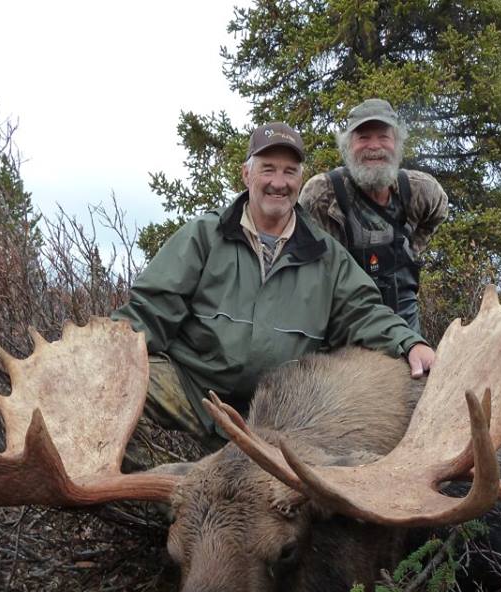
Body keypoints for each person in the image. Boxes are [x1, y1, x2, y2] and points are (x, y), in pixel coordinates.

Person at [111, 122, 435, 451]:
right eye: (268, 169)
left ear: (300, 180)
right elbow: (150, 311)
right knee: (119, 380)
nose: (278, 183)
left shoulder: (326, 256)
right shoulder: (204, 237)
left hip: (285, 416)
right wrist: (103, 351)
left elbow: (364, 313)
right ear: (246, 174)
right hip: (198, 394)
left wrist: (410, 344)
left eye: (289, 172)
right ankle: (159, 494)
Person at [299, 99, 449, 332]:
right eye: (363, 137)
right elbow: (305, 260)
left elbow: (438, 214)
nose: (374, 146)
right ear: (348, 146)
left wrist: (412, 247)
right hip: (345, 322)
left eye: (383, 136)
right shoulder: (322, 194)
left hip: (404, 317)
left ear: (397, 143)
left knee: (421, 368)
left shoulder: (422, 189)